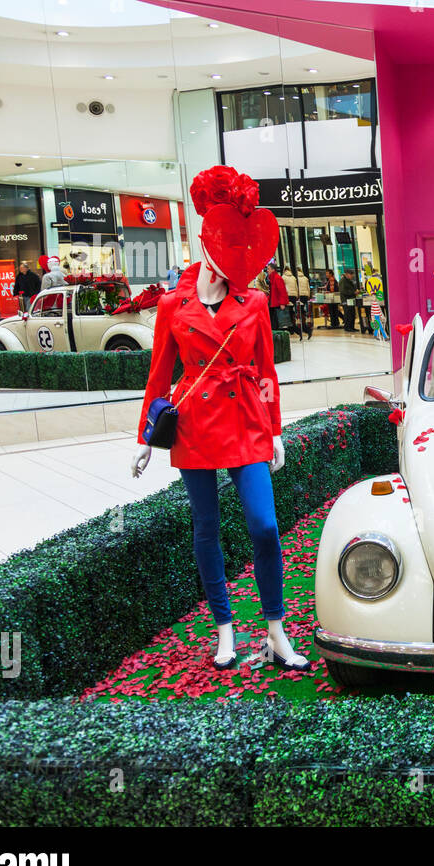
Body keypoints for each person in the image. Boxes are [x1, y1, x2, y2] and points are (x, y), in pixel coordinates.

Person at [131, 164, 309, 673]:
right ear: (207, 244)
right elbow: (158, 377)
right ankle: (225, 632)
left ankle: (276, 631)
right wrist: (146, 436)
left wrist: (276, 429)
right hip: (193, 426)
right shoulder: (172, 305)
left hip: (247, 421)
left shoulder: (253, 302)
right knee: (205, 529)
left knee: (265, 525)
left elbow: (268, 372)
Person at [266, 264, 289, 330]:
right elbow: (272, 292)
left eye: (268, 269)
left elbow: (282, 291)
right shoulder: (272, 278)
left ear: (273, 270)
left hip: (277, 304)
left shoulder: (277, 278)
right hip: (273, 303)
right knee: (274, 322)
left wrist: (282, 303)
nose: (267, 270)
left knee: (277, 322)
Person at [338, 268, 361, 333]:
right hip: (346, 300)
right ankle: (348, 327)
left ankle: (352, 327)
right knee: (348, 314)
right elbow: (343, 291)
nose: (352, 276)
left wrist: (355, 291)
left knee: (352, 314)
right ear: (347, 274)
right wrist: (353, 292)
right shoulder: (343, 281)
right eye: (351, 274)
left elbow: (352, 288)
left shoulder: (349, 280)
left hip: (351, 300)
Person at [294, 267, 313, 340]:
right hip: (305, 296)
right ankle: (306, 328)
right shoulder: (305, 278)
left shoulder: (296, 278)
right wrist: (308, 296)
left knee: (298, 314)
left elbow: (296, 288)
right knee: (302, 312)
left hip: (300, 296)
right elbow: (308, 288)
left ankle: (304, 329)